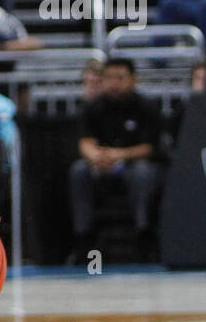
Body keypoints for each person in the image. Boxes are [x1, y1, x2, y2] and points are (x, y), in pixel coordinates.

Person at [69, 60, 163, 262]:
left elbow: (149, 148)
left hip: (134, 163)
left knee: (142, 173)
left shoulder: (146, 108)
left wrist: (116, 155)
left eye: (120, 78)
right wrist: (96, 157)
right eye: (109, 78)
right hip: (102, 165)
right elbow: (85, 143)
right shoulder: (93, 108)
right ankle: (83, 237)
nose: (114, 83)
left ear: (133, 80)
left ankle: (143, 233)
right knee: (79, 171)